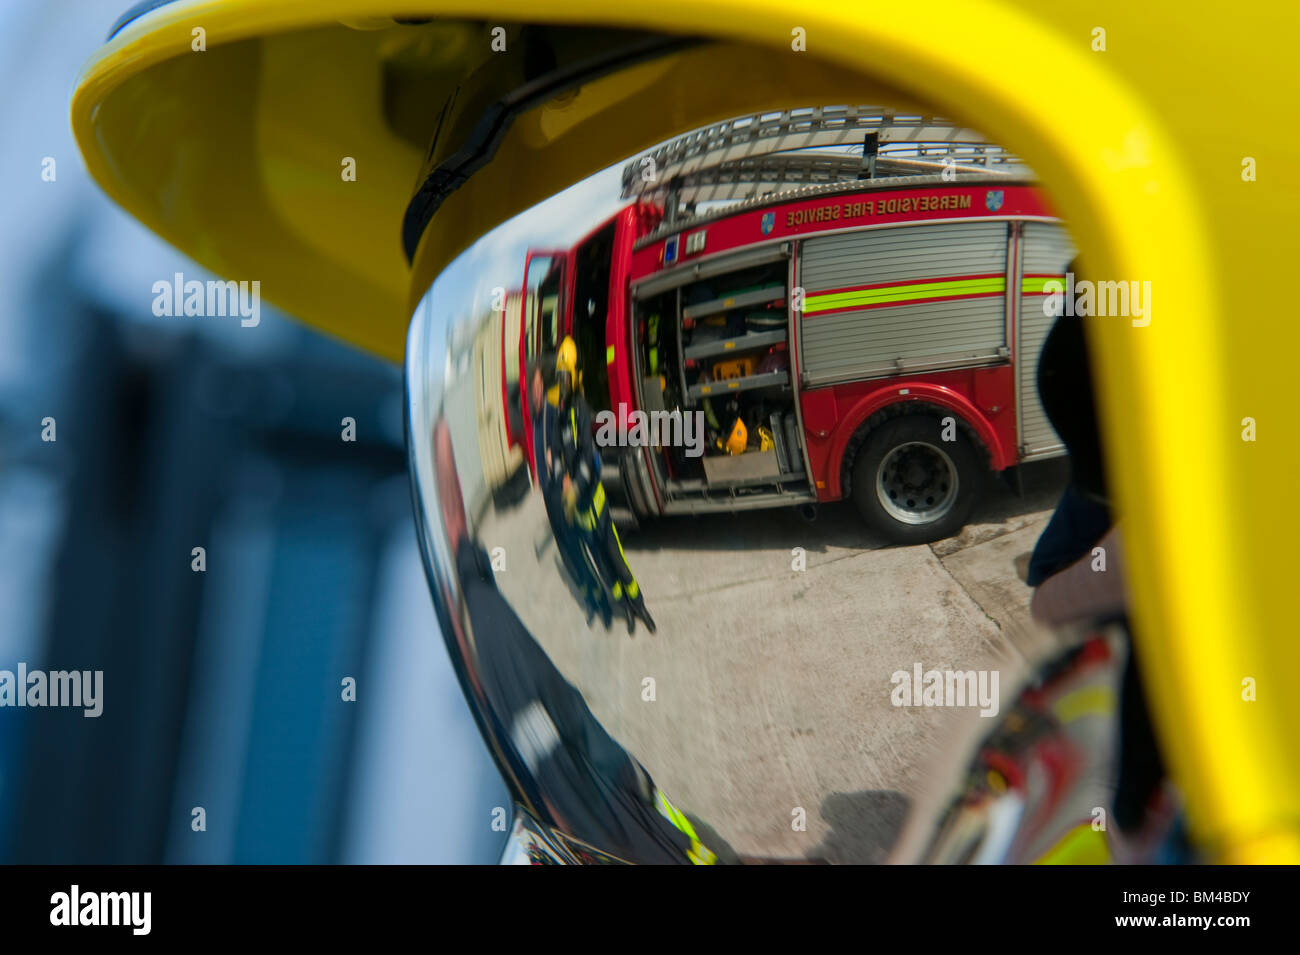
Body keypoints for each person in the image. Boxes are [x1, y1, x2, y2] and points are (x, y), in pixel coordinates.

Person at [554, 337, 657, 635]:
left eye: (565, 377)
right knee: (604, 569)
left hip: (595, 506)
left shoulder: (581, 408)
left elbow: (586, 455)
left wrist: (577, 487)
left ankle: (640, 607)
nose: (561, 382)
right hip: (579, 510)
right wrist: (564, 482)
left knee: (618, 562)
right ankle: (625, 610)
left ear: (575, 377)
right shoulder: (561, 416)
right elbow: (563, 456)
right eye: (558, 377)